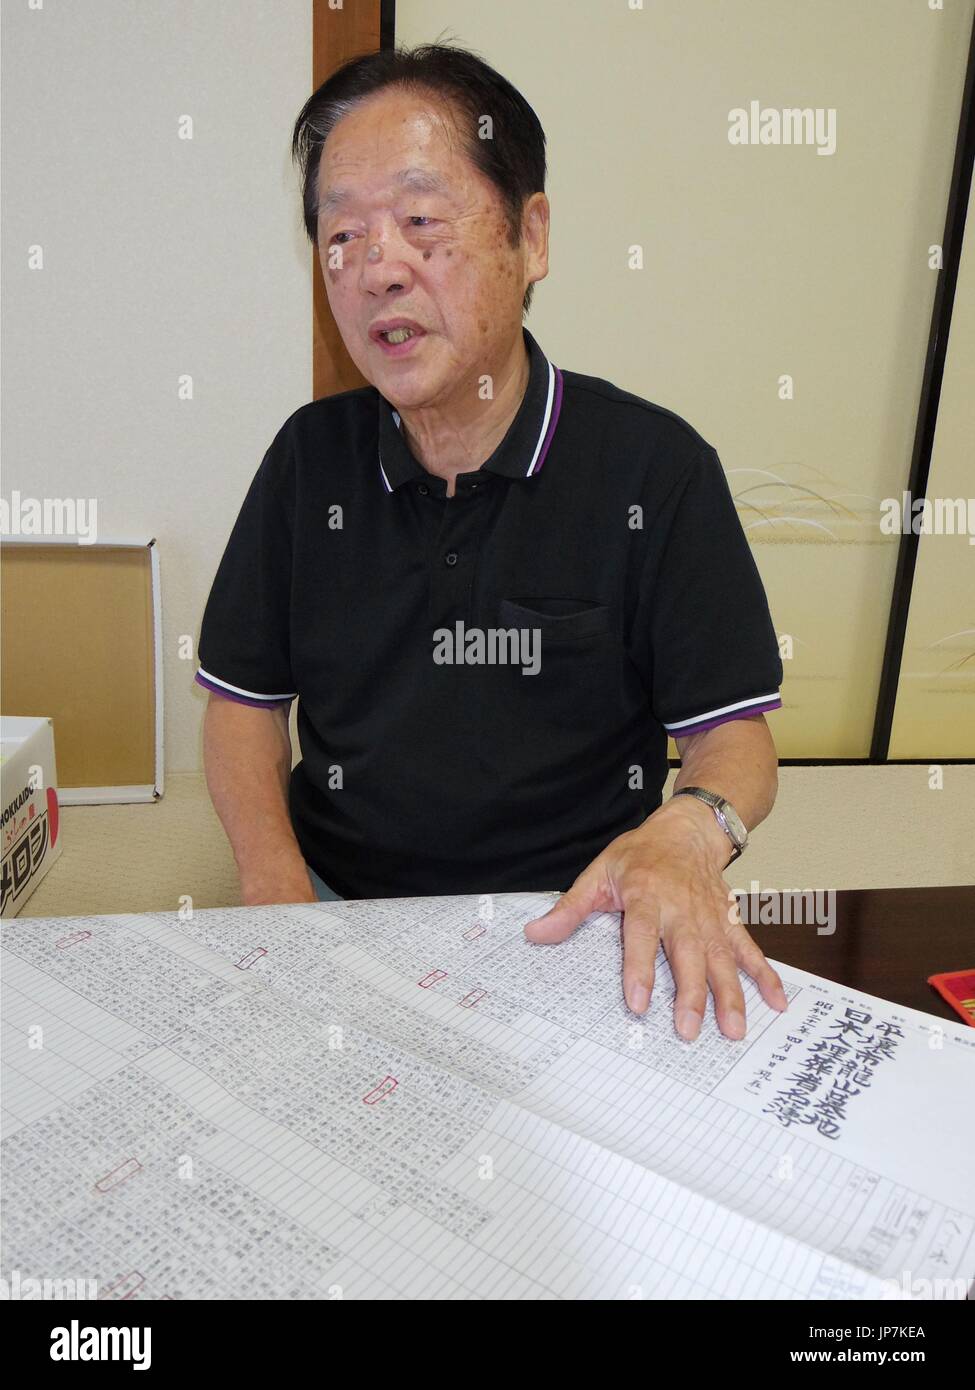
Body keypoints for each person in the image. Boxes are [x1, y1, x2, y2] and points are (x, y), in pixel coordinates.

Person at [196, 43, 788, 1044]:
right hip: (344, 908)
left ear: (531, 235)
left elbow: (735, 739)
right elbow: (243, 706)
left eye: (422, 221)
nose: (379, 267)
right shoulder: (309, 461)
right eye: (342, 236)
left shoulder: (656, 470)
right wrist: (276, 888)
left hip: (580, 920)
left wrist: (690, 829)